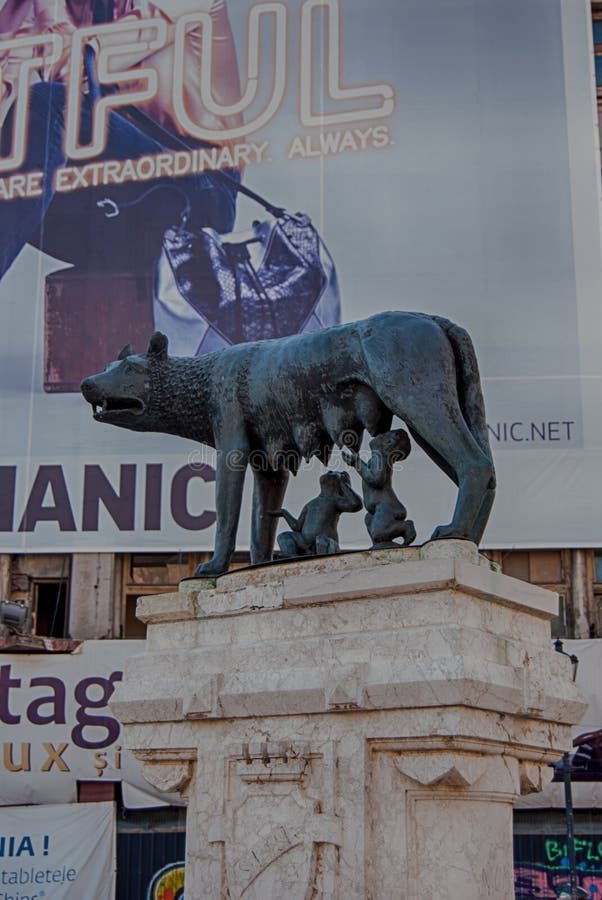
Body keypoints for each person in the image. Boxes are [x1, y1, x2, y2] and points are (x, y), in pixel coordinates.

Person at [0, 0, 243, 278]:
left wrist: (44, 11)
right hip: (114, 199)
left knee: (49, 101)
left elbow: (79, 67)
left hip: (198, 197)